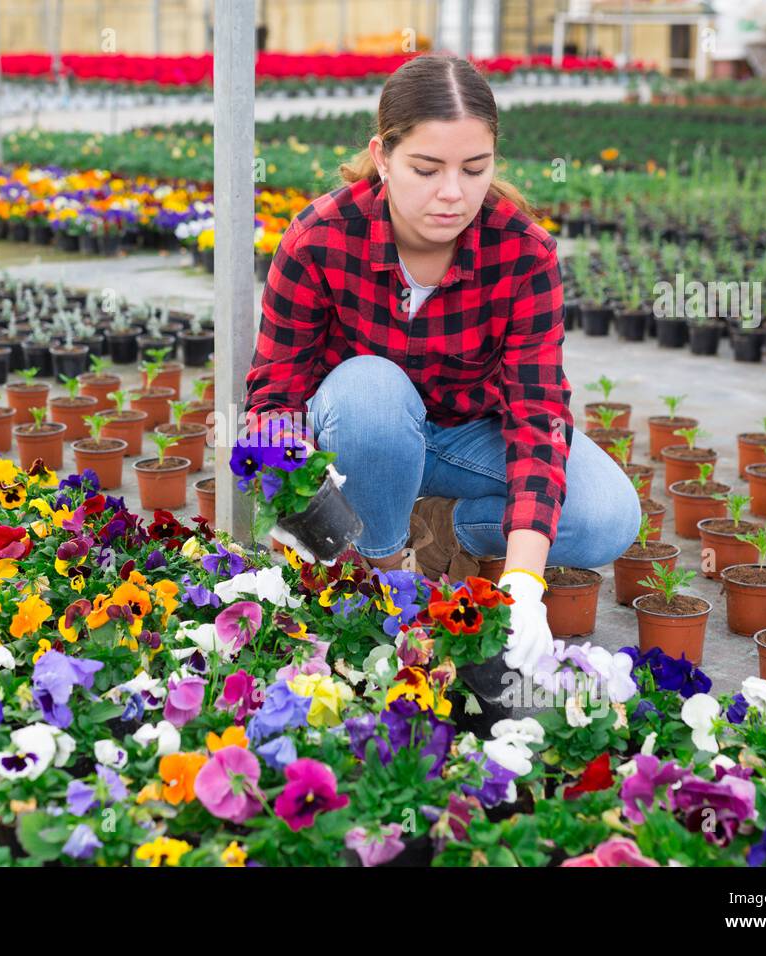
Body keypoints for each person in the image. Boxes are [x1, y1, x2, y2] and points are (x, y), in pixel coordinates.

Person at [244, 53, 640, 679]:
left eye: (474, 169)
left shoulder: (522, 252)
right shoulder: (321, 238)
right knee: (372, 388)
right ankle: (384, 571)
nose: (453, 193)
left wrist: (524, 585)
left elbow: (538, 414)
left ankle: (448, 528)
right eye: (426, 169)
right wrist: (295, 504)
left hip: (462, 436)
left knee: (606, 515)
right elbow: (273, 398)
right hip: (357, 435)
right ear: (382, 156)